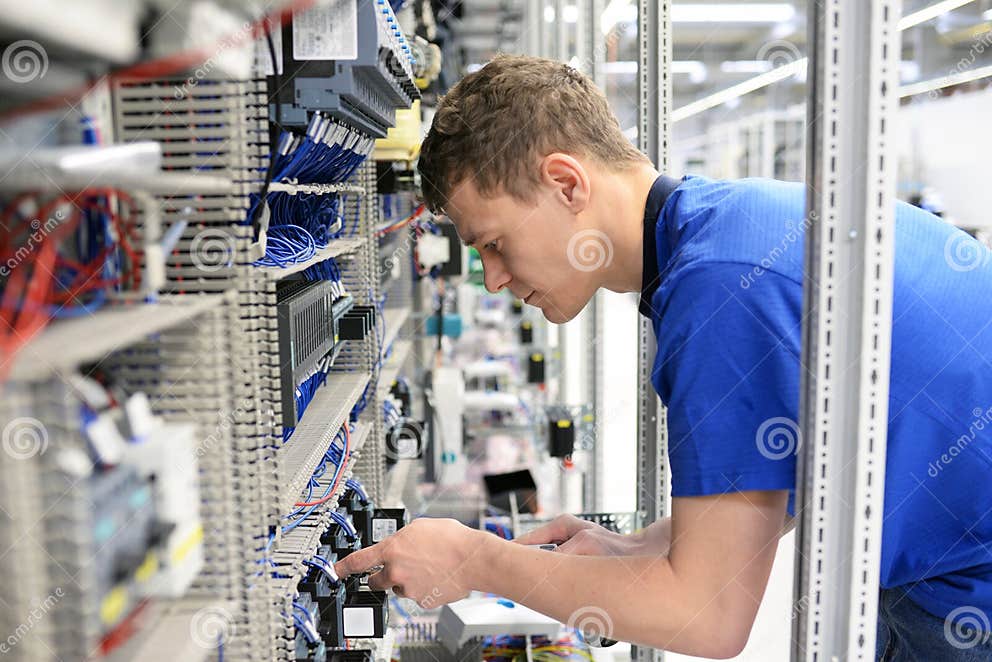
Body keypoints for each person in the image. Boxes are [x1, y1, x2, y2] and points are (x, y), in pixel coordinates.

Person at [336, 55, 992, 660]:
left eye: (495, 243)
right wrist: (638, 547)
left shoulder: (720, 289)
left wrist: (477, 562)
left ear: (565, 182)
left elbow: (707, 617)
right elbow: (801, 465)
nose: (494, 278)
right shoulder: (721, 233)